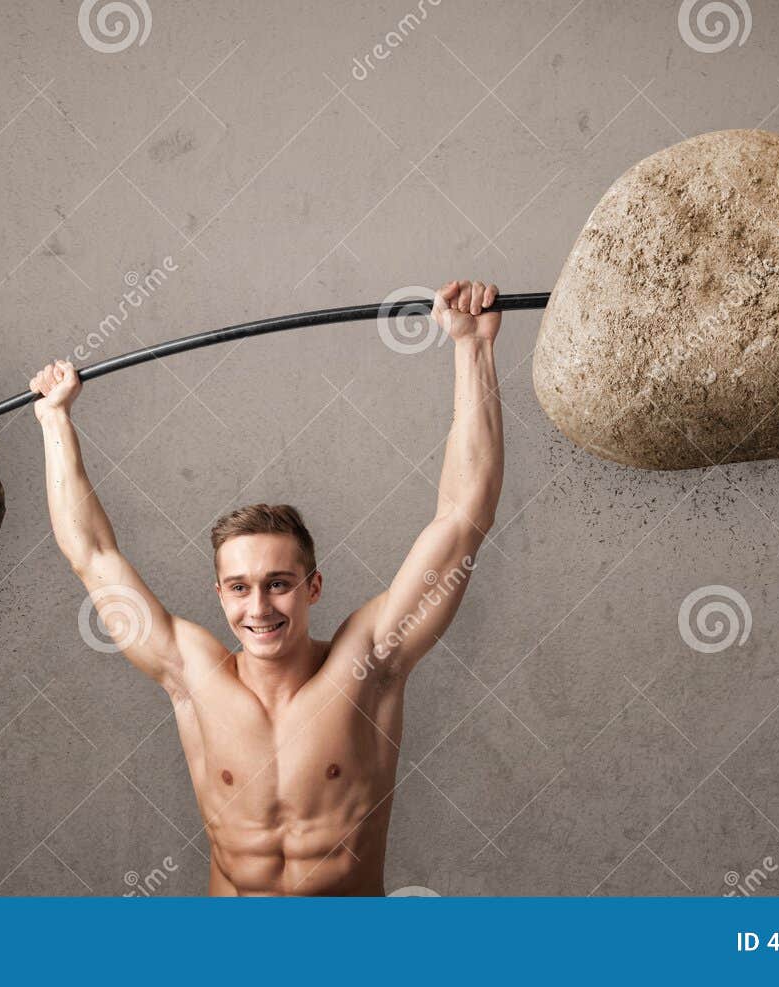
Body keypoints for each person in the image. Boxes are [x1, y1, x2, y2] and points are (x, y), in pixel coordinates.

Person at [28, 280, 505, 895]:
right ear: (221, 593)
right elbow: (92, 556)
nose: (259, 608)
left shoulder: (371, 663)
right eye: (240, 587)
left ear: (313, 587)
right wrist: (53, 419)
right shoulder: (192, 674)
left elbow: (463, 519)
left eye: (278, 584)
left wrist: (472, 349)